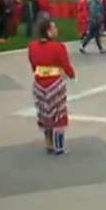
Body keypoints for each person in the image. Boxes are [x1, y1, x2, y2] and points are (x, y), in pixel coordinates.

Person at [30, 19, 77, 155]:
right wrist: (71, 75)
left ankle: (48, 142)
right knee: (58, 113)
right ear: (48, 32)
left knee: (45, 112)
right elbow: (66, 65)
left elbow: (34, 66)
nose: (56, 30)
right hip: (54, 83)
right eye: (54, 28)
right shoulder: (58, 47)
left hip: (39, 83)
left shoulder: (32, 47)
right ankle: (59, 146)